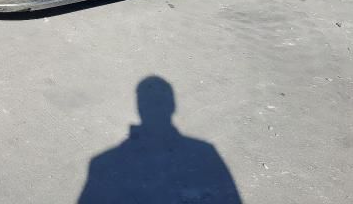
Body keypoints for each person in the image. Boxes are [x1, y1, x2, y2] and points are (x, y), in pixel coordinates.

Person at [79, 76, 241, 203]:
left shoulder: (105, 163)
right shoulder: (203, 154)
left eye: (157, 102)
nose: (154, 110)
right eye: (151, 103)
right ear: (173, 106)